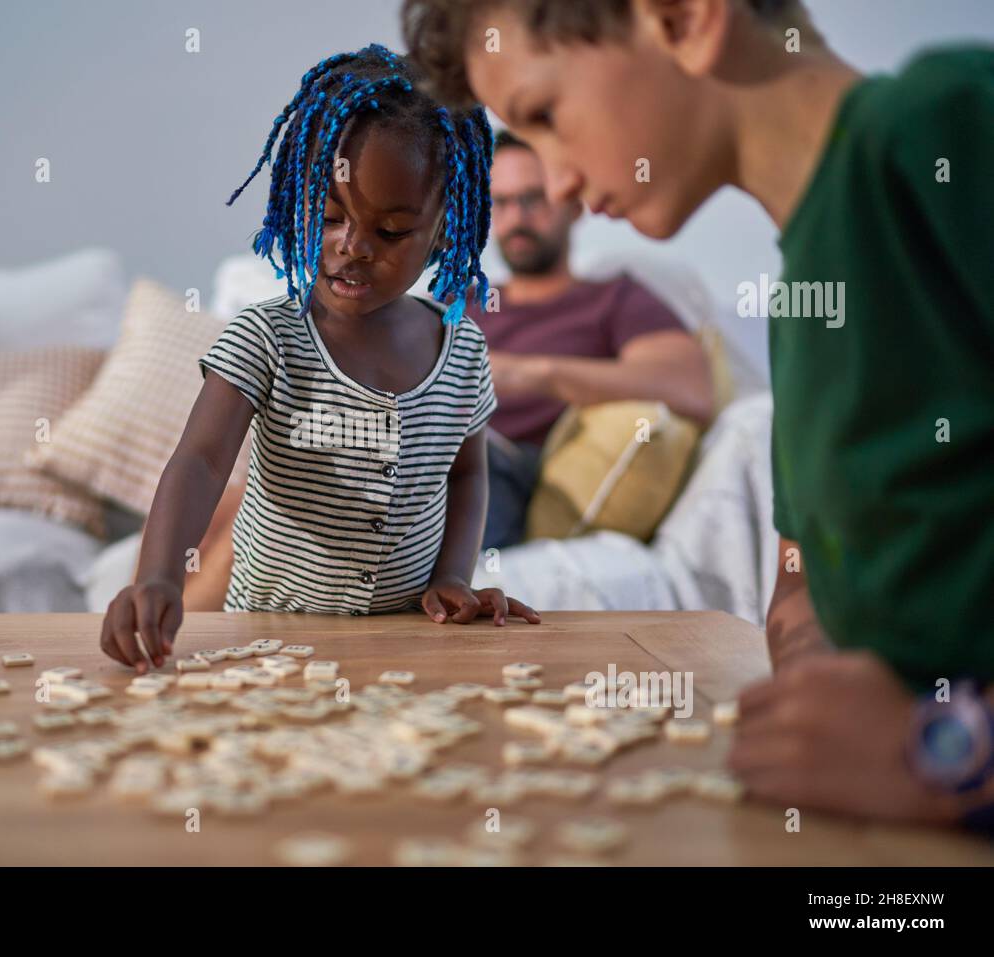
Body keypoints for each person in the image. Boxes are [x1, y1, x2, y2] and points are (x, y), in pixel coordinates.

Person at [402, 0, 994, 828]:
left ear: (682, 18)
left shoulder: (944, 125)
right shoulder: (802, 307)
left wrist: (943, 748)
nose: (559, 179)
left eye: (546, 115)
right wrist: (811, 688)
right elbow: (800, 586)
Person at [100, 44, 540, 674]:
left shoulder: (462, 349)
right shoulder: (268, 336)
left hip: (404, 642)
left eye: (390, 231)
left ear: (443, 229)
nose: (352, 246)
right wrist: (160, 576)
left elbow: (467, 475)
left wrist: (452, 577)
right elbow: (199, 461)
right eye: (331, 216)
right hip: (267, 639)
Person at [473, 128, 712, 548]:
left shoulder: (614, 299)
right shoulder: (461, 299)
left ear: (574, 201)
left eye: (533, 198)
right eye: (500, 203)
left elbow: (690, 385)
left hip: (495, 460)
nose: (517, 218)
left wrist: (531, 373)